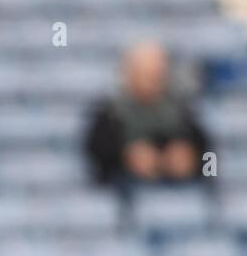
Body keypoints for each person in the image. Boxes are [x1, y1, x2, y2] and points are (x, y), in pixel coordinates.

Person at [84, 41, 210, 188]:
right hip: (125, 190)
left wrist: (191, 157)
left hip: (175, 192)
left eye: (157, 74)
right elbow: (95, 156)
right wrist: (125, 157)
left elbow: (208, 156)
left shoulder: (181, 109)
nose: (152, 80)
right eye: (146, 73)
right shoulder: (110, 112)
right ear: (129, 73)